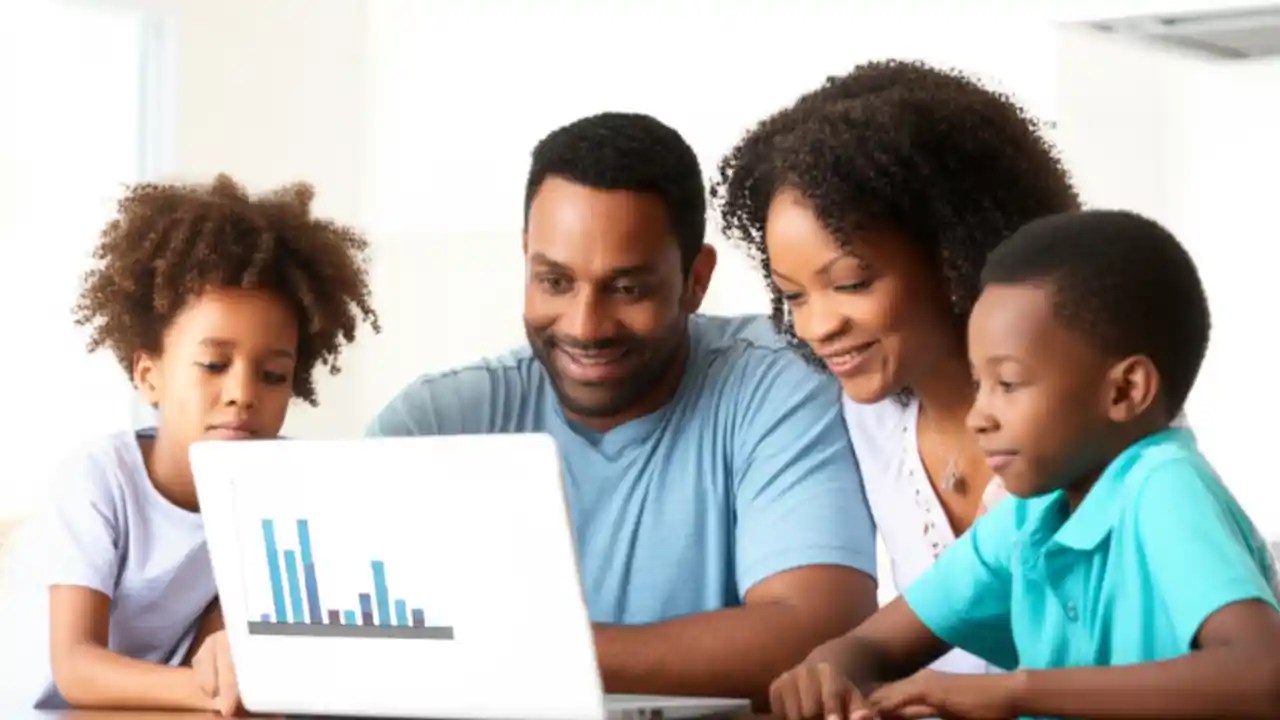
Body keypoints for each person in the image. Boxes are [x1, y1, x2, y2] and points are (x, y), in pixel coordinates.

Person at [367, 111, 878, 703]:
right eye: (555, 282)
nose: (586, 327)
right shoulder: (429, 425)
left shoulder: (778, 382)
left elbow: (819, 634)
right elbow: (326, 637)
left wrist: (508, 651)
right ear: (527, 259)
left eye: (627, 288)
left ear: (696, 279)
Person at [768, 209, 1280, 720]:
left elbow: (1263, 675)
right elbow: (872, 646)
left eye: (1008, 384)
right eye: (978, 383)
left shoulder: (1163, 487)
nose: (978, 416)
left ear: (1125, 390)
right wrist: (827, 677)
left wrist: (1015, 691)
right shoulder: (1031, 517)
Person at [713, 60, 1080, 676]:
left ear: (958, 251)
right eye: (794, 295)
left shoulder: (1089, 422)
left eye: (851, 283)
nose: (817, 326)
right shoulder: (869, 415)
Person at [0, 175, 379, 714]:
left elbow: (224, 648)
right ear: (149, 375)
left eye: (273, 375)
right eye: (213, 365)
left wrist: (231, 677)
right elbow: (75, 667)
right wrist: (213, 689)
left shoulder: (279, 487)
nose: (242, 395)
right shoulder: (99, 479)